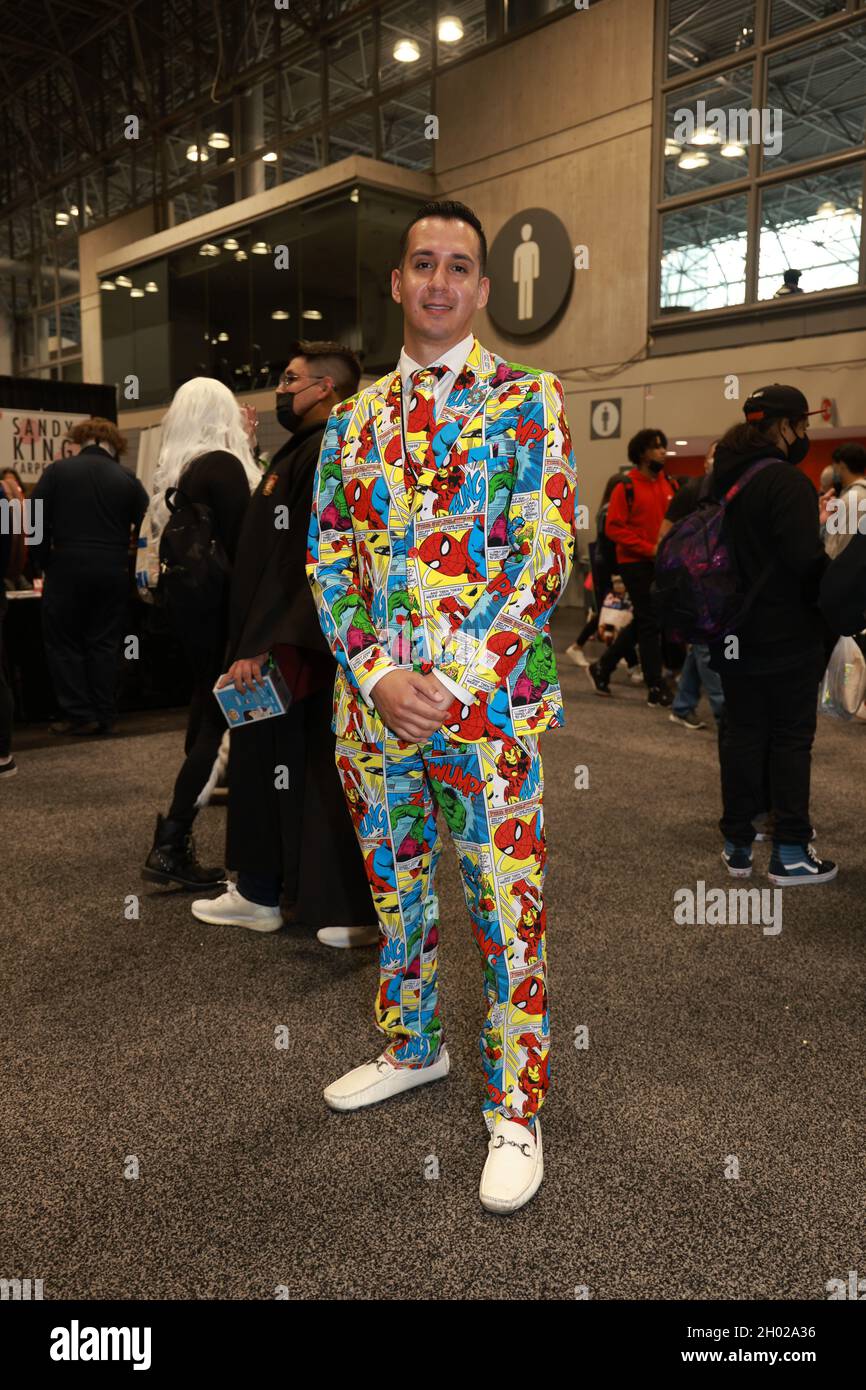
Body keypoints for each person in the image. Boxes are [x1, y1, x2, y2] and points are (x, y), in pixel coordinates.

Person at [306, 198, 576, 1213]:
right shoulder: (354, 417)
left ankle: (515, 1102)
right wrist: (379, 676)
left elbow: (541, 555)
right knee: (397, 890)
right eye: (422, 262)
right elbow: (329, 553)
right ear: (396, 282)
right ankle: (411, 1043)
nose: (438, 281)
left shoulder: (529, 397)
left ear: (481, 287)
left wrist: (451, 680)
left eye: (458, 265)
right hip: (373, 715)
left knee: (506, 911)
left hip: (489, 712)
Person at [190, 341, 378, 947]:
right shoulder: (302, 450)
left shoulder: (325, 448)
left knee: (288, 764)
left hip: (287, 647)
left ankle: (269, 894)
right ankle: (269, 890)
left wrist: (266, 642)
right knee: (274, 766)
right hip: (280, 643)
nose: (281, 388)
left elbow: (302, 561)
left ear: (326, 388)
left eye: (291, 378)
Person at [707, 383, 834, 885]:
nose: (803, 434)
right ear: (783, 426)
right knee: (789, 738)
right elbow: (806, 562)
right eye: (801, 425)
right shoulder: (786, 482)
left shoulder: (722, 478)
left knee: (742, 734)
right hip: (785, 633)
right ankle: (790, 852)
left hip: (730, 631)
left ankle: (738, 845)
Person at [142, 378, 261, 890]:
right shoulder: (225, 466)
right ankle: (170, 841)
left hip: (191, 614)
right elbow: (246, 545)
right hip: (223, 615)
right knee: (216, 722)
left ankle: (174, 834)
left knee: (204, 710)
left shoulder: (183, 468)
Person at [30, 418, 148, 735]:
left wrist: (40, 560)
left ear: (79, 441)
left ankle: (79, 715)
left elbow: (34, 518)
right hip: (112, 568)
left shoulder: (57, 471)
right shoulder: (127, 477)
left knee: (64, 643)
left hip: (65, 566)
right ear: (115, 445)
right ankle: (106, 713)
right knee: (105, 643)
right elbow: (147, 526)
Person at [586, 429, 675, 705]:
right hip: (634, 563)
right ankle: (655, 686)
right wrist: (647, 548)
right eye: (655, 447)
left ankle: (603, 666)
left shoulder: (669, 485)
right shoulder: (626, 486)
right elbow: (614, 528)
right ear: (641, 453)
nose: (662, 451)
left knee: (649, 620)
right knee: (649, 622)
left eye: (663, 446)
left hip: (661, 563)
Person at [660, 441, 725, 730]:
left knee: (701, 647)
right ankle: (725, 711)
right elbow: (664, 536)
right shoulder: (691, 491)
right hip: (694, 583)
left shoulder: (730, 490)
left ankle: (683, 705)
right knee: (706, 648)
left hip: (716, 583)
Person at [566, 471, 639, 678]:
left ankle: (627, 661)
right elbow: (610, 545)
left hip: (607, 570)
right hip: (608, 570)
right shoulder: (609, 511)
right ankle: (630, 663)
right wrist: (618, 575)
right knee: (613, 614)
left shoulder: (606, 510)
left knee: (611, 613)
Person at [824, 442, 866, 561]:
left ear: (841, 465)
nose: (834, 471)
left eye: (834, 466)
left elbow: (844, 549)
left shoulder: (853, 498)